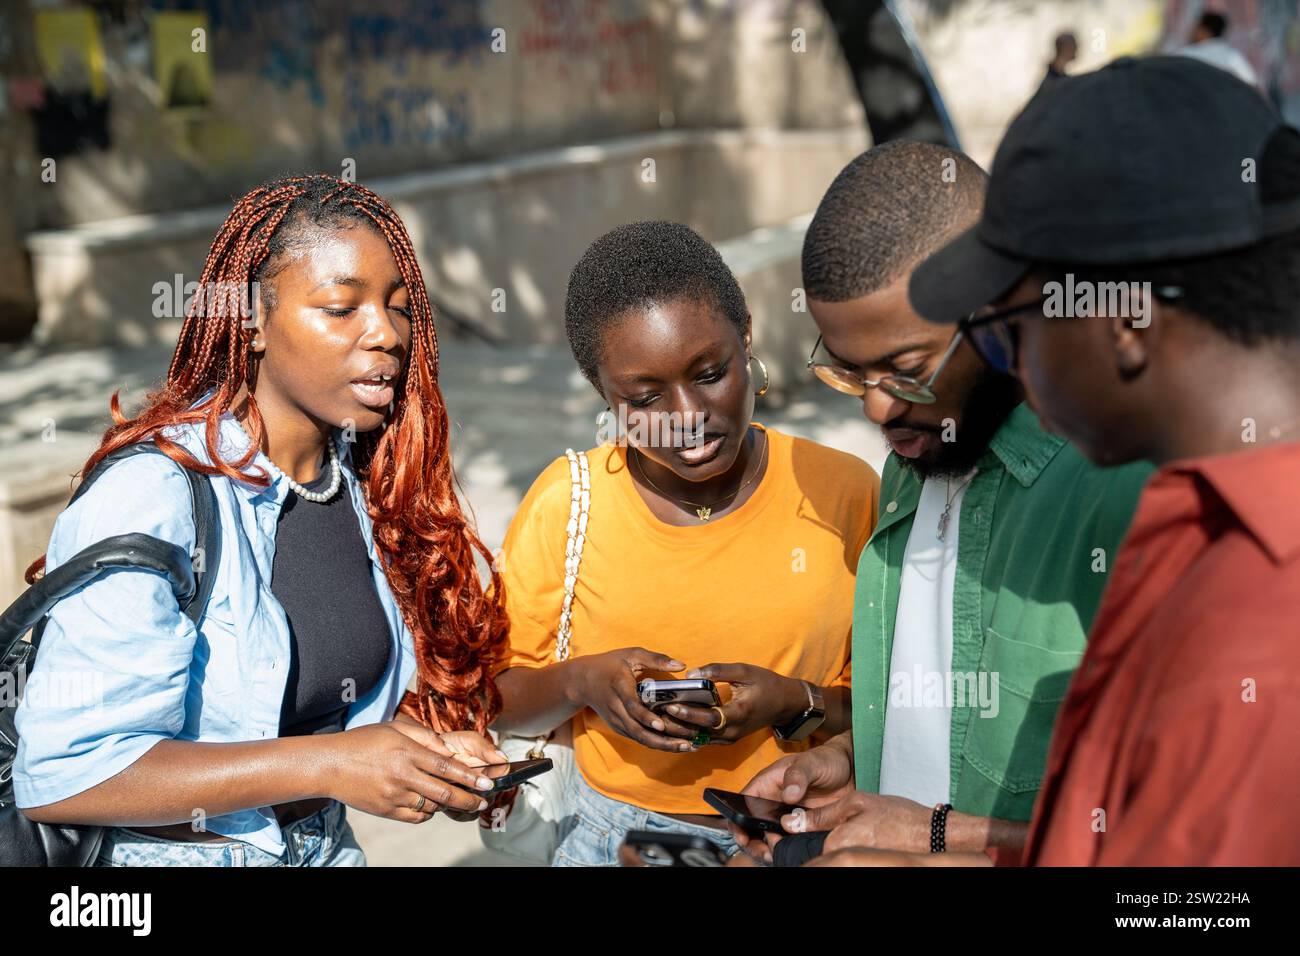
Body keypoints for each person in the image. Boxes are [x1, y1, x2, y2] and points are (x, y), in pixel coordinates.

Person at [14, 174, 511, 866]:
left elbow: (313, 704)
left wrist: (414, 750)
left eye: (399, 308)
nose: (386, 334)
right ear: (250, 323)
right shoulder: (155, 495)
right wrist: (328, 765)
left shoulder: (366, 486)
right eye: (342, 308)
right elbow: (65, 774)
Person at [881, 54, 1300, 866]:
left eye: (1009, 332)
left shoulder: (1259, 621)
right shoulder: (1200, 522)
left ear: (1124, 322)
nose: (1015, 369)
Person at [727, 140, 1151, 864]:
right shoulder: (917, 451)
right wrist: (852, 761)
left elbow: (1195, 858)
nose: (875, 407)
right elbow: (946, 702)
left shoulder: (1125, 491)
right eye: (847, 371)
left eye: (906, 368)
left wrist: (937, 836)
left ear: (1000, 316)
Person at [491, 220, 879, 866]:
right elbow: (498, 698)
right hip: (607, 838)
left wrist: (792, 702)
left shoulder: (842, 490)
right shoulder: (567, 502)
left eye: (710, 372)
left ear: (746, 334)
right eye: (643, 397)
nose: (687, 416)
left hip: (800, 834)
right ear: (602, 393)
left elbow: (890, 700)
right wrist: (586, 682)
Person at [1174, 10, 1258, 87]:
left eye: (1196, 28)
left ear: (1203, 30)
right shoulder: (1233, 57)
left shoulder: (1184, 55)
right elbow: (1251, 84)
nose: (1191, 32)